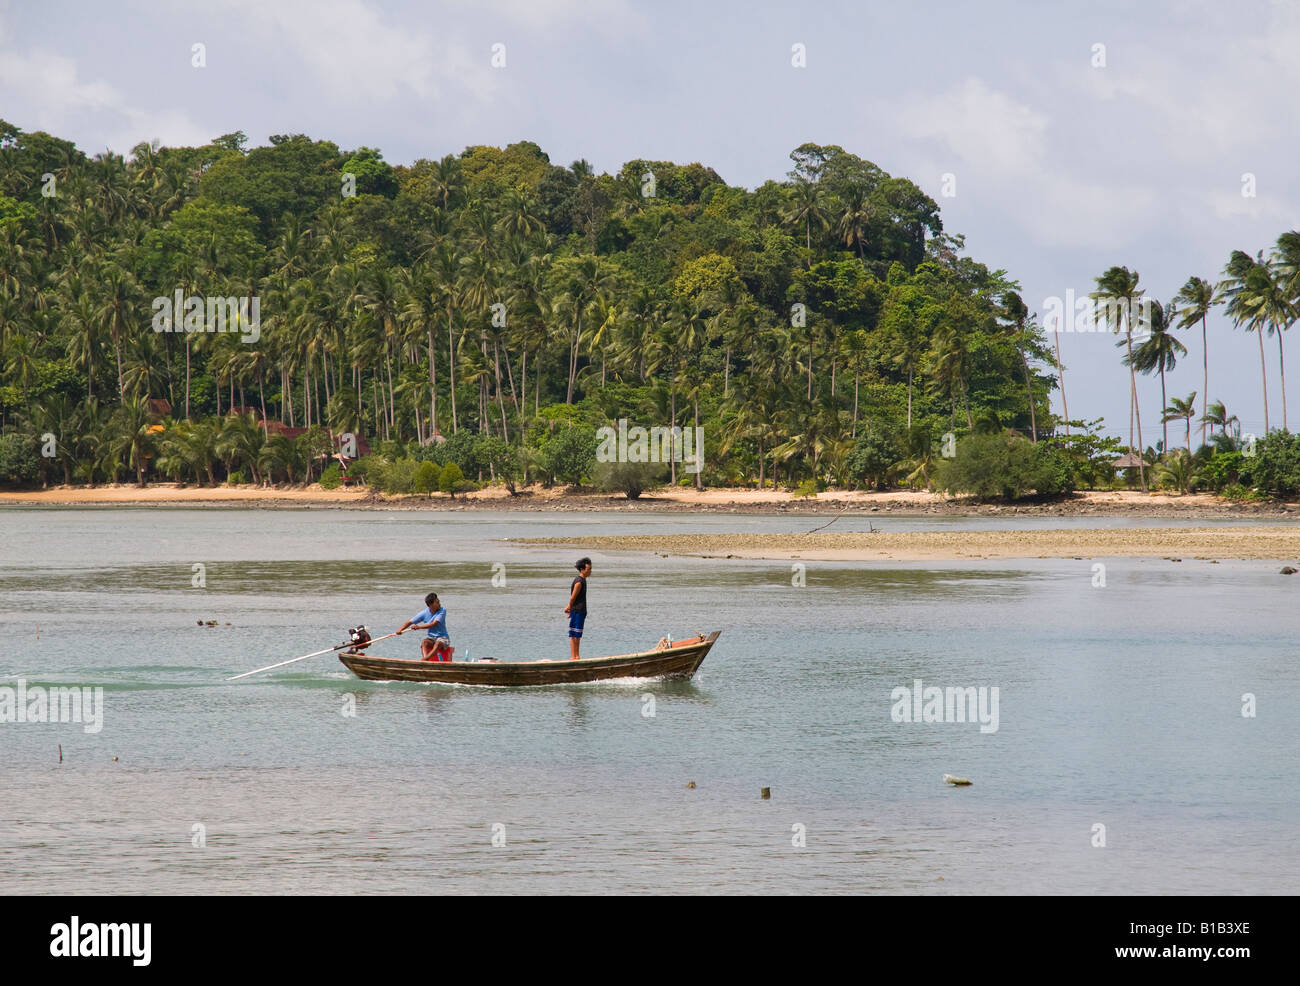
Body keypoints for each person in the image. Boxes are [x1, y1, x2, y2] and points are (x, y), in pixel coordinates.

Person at [397, 592, 452, 661]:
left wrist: (419, 627)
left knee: (437, 644)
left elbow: (433, 624)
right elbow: (410, 622)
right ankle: (426, 661)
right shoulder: (424, 613)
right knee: (424, 642)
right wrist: (400, 630)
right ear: (431, 605)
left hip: (443, 638)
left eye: (439, 601)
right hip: (431, 638)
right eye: (437, 602)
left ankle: (424, 659)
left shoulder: (442, 611)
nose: (439, 604)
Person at [563, 558, 591, 660]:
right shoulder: (579, 582)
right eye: (588, 569)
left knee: (576, 634)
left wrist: (571, 608)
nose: (590, 571)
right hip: (578, 611)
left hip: (579, 611)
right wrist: (569, 607)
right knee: (575, 634)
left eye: (590, 569)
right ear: (582, 569)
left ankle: (575, 656)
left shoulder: (582, 580)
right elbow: (573, 597)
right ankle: (575, 656)